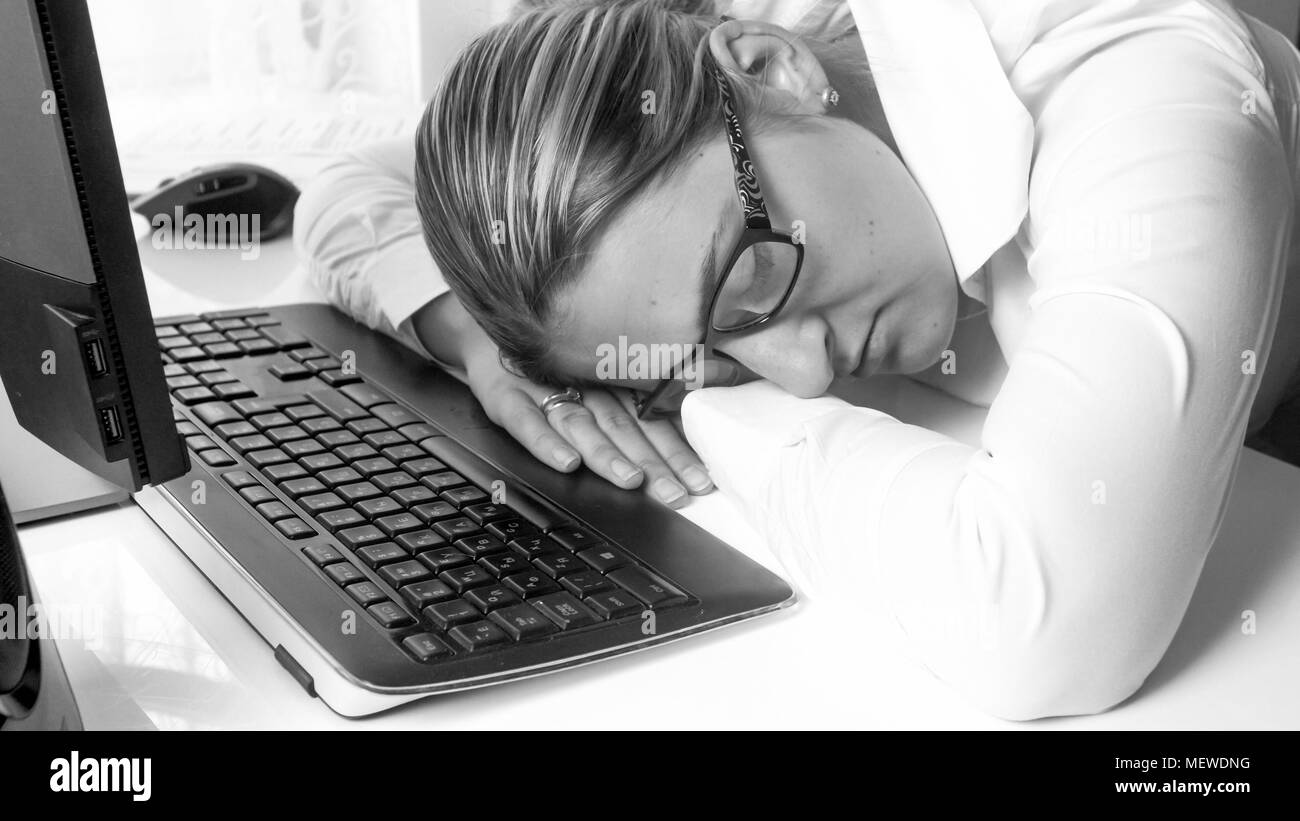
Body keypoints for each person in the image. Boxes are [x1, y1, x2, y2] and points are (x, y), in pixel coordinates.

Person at [294, 0, 1300, 719]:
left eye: (748, 285)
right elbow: (345, 184)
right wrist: (488, 344)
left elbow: (1040, 625)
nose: (808, 374)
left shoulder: (1138, 83)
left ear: (772, 69)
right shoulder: (730, 86)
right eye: (688, 362)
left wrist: (711, 411)